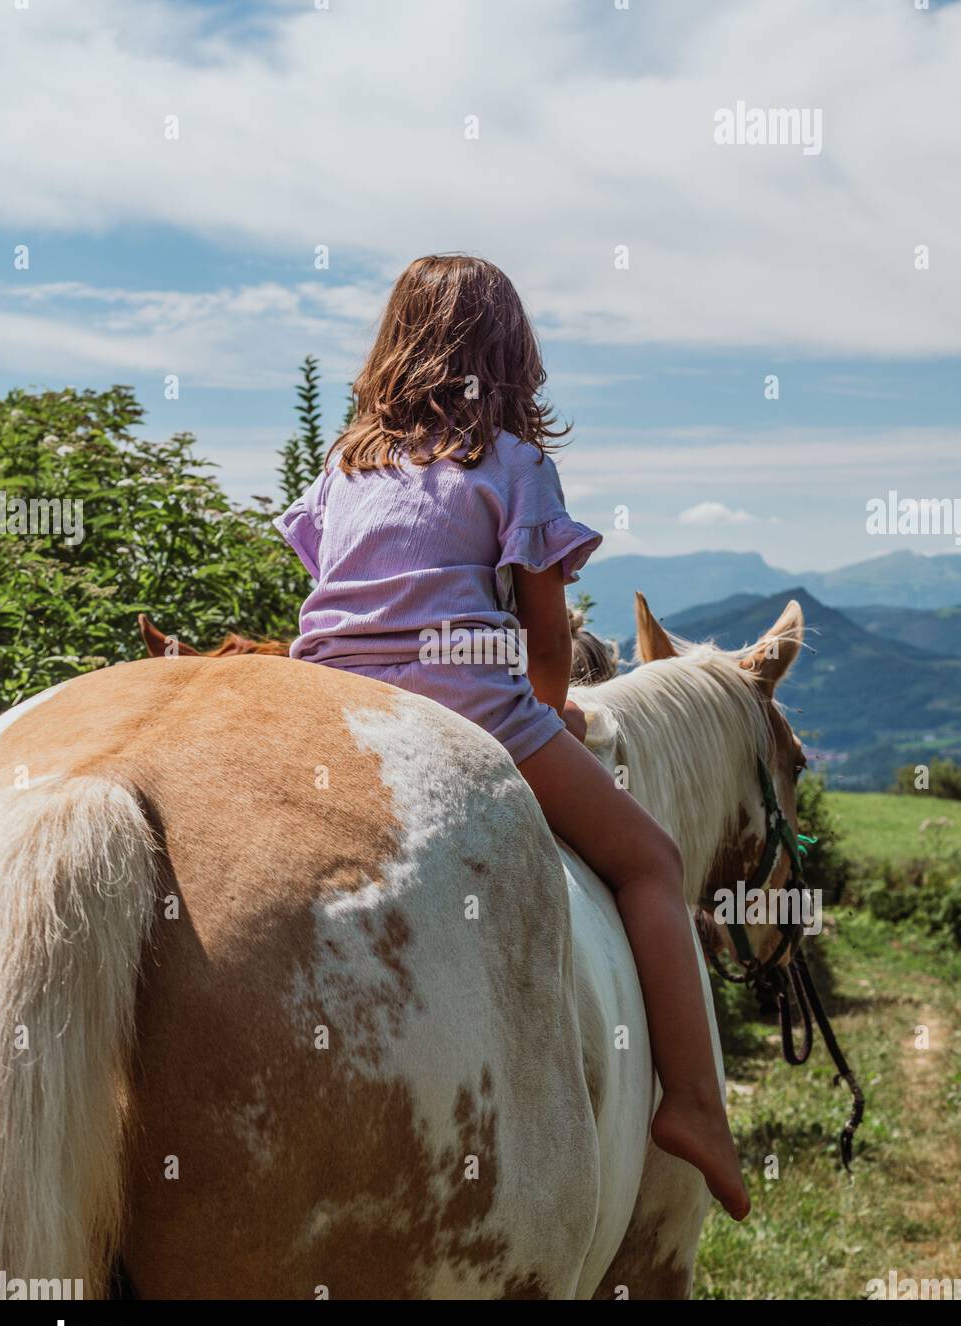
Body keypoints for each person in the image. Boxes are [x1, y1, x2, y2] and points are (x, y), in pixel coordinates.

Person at [275, 254, 749, 1220]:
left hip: (325, 700)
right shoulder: (514, 464)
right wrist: (558, 710)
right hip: (465, 700)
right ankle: (696, 1106)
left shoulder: (345, 463)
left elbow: (334, 600)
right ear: (510, 354)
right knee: (649, 860)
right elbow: (544, 649)